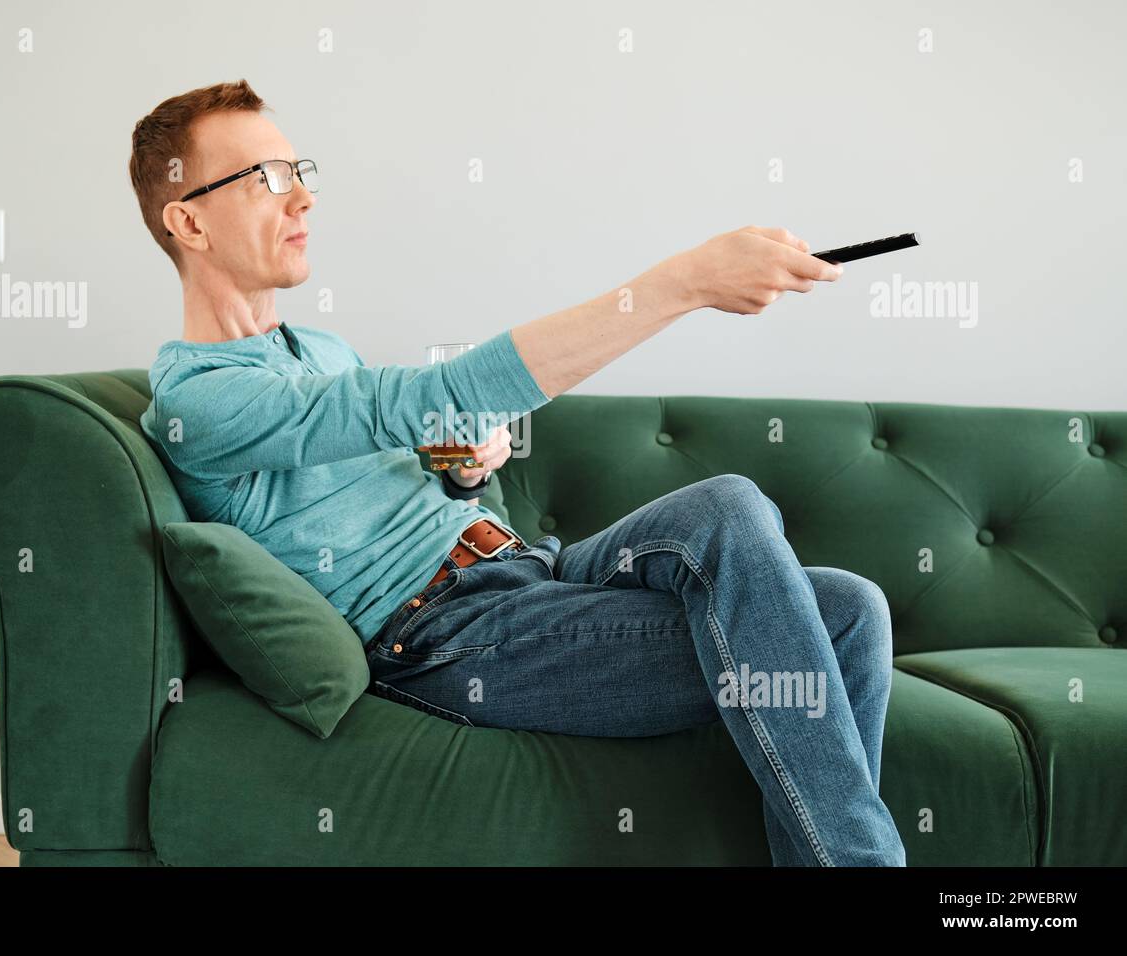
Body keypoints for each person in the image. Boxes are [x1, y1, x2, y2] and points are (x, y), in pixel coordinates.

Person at [130, 79, 906, 867]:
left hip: (530, 568)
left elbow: (409, 450)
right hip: (445, 633)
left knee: (831, 587)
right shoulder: (201, 399)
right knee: (837, 619)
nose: (301, 200)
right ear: (187, 218)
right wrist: (685, 283)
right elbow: (436, 395)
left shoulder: (320, 349)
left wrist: (460, 472)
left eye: (301, 173)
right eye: (266, 178)